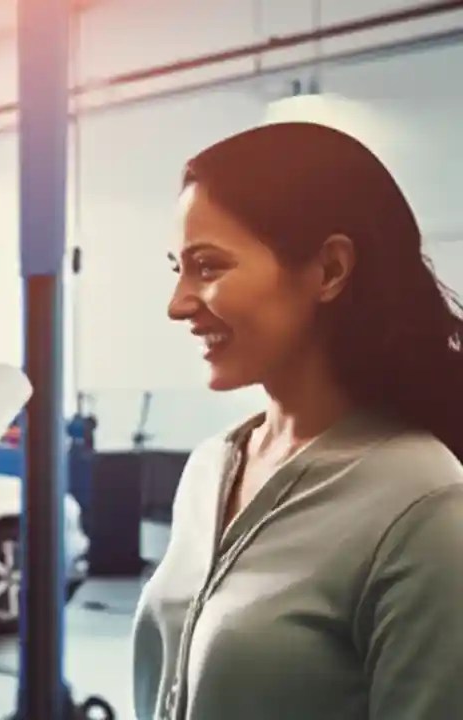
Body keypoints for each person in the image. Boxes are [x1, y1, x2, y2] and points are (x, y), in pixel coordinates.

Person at [133, 121, 463, 720]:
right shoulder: (210, 469)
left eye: (207, 267)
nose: (177, 302)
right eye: (176, 268)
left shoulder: (428, 508)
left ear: (330, 270)